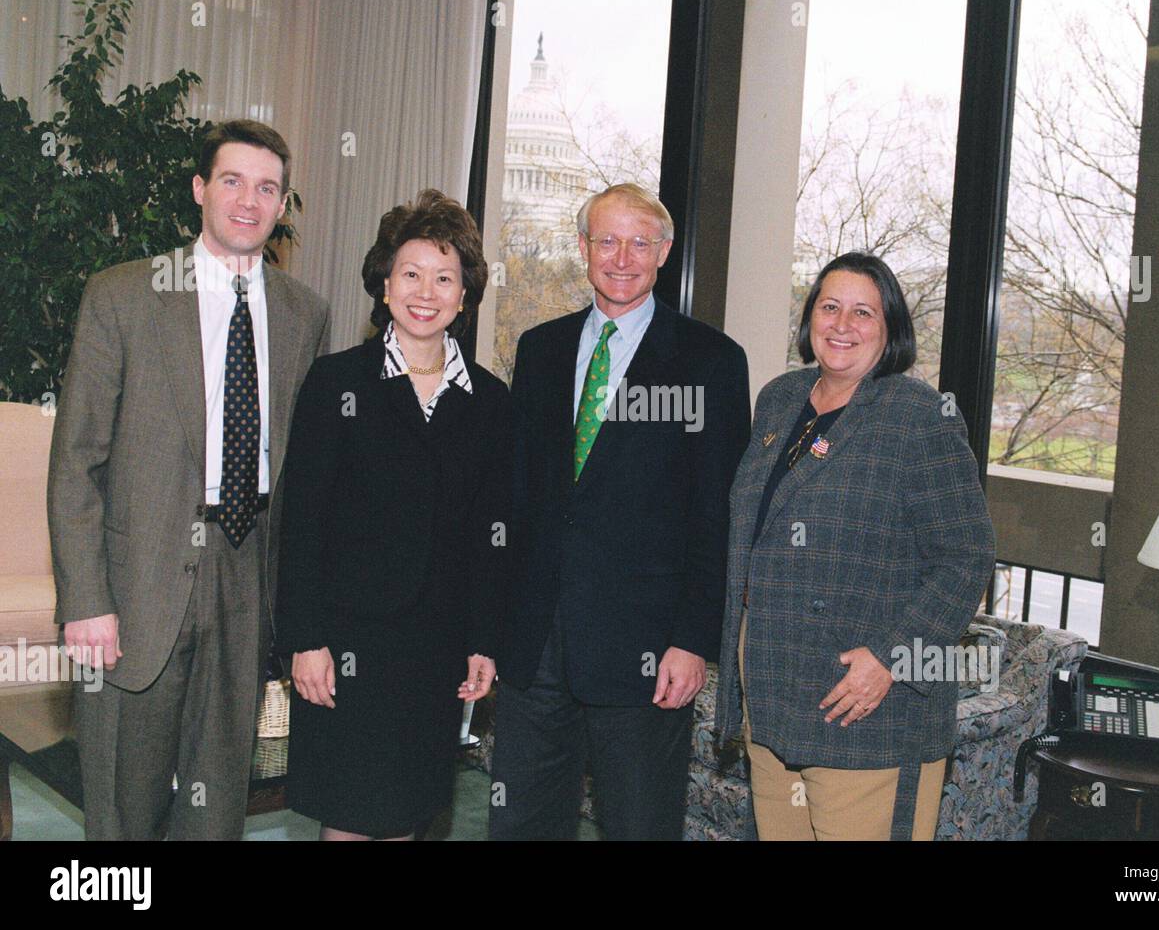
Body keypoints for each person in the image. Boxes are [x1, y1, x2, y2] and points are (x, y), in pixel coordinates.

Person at [48, 119, 329, 840]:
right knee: (123, 806)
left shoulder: (305, 315)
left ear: (282, 205)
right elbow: (77, 459)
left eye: (267, 188)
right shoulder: (122, 296)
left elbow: (302, 470)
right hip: (136, 582)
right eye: (232, 180)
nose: (248, 200)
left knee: (217, 806)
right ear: (201, 189)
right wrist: (85, 599)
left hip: (246, 578)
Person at [489, 183, 751, 840]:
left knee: (637, 826)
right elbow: (518, 498)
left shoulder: (711, 361)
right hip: (535, 646)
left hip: (645, 652)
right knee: (519, 824)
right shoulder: (540, 351)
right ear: (583, 249)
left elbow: (717, 516)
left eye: (639, 242)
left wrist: (693, 640)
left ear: (663, 253)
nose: (621, 257)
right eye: (606, 240)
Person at [715, 251, 995, 841]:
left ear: (890, 329)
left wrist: (893, 658)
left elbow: (965, 558)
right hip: (772, 699)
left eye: (863, 312)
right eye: (830, 306)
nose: (843, 325)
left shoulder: (920, 416)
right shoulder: (779, 399)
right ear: (810, 317)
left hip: (867, 714)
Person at [274, 189, 509, 841]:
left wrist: (484, 640)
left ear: (464, 297)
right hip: (347, 644)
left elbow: (493, 536)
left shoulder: (491, 403)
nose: (426, 291)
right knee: (350, 821)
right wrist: (304, 639)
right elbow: (302, 524)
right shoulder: (335, 383)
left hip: (435, 652)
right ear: (383, 285)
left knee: (408, 817)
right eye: (410, 274)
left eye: (445, 277)